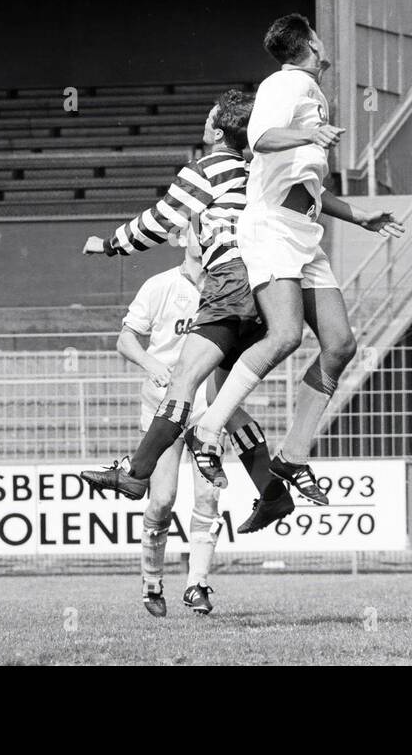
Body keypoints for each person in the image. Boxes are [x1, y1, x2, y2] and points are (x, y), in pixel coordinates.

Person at [188, 13, 403, 516]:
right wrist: (313, 135)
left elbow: (307, 188)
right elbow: (261, 137)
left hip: (304, 233)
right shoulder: (286, 83)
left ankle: (291, 456)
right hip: (271, 231)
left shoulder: (308, 91)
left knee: (341, 344)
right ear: (309, 43)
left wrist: (360, 216)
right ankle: (209, 427)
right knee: (284, 335)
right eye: (319, 36)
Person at [79, 90, 295, 533]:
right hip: (268, 285)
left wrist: (109, 244)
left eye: (209, 116)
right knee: (222, 399)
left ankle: (135, 475)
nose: (204, 121)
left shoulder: (209, 168)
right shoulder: (259, 169)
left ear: (217, 131)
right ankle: (271, 493)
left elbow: (161, 220)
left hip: (231, 280)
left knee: (183, 381)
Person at [116, 242, 247, 615]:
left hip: (207, 409)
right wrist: (150, 364)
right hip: (163, 404)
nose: (204, 234)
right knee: (162, 499)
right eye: (196, 226)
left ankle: (197, 584)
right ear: (178, 236)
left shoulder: (227, 286)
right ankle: (152, 580)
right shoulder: (160, 285)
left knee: (208, 498)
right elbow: (125, 339)